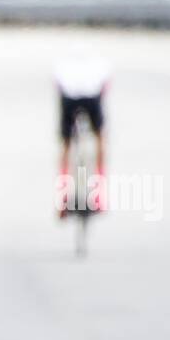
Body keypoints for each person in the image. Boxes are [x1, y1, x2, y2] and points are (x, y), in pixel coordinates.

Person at [54, 46, 110, 216]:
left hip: (69, 97)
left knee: (66, 143)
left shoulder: (61, 64)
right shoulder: (101, 63)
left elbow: (57, 86)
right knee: (100, 137)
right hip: (92, 97)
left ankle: (62, 196)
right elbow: (105, 88)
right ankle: (100, 194)